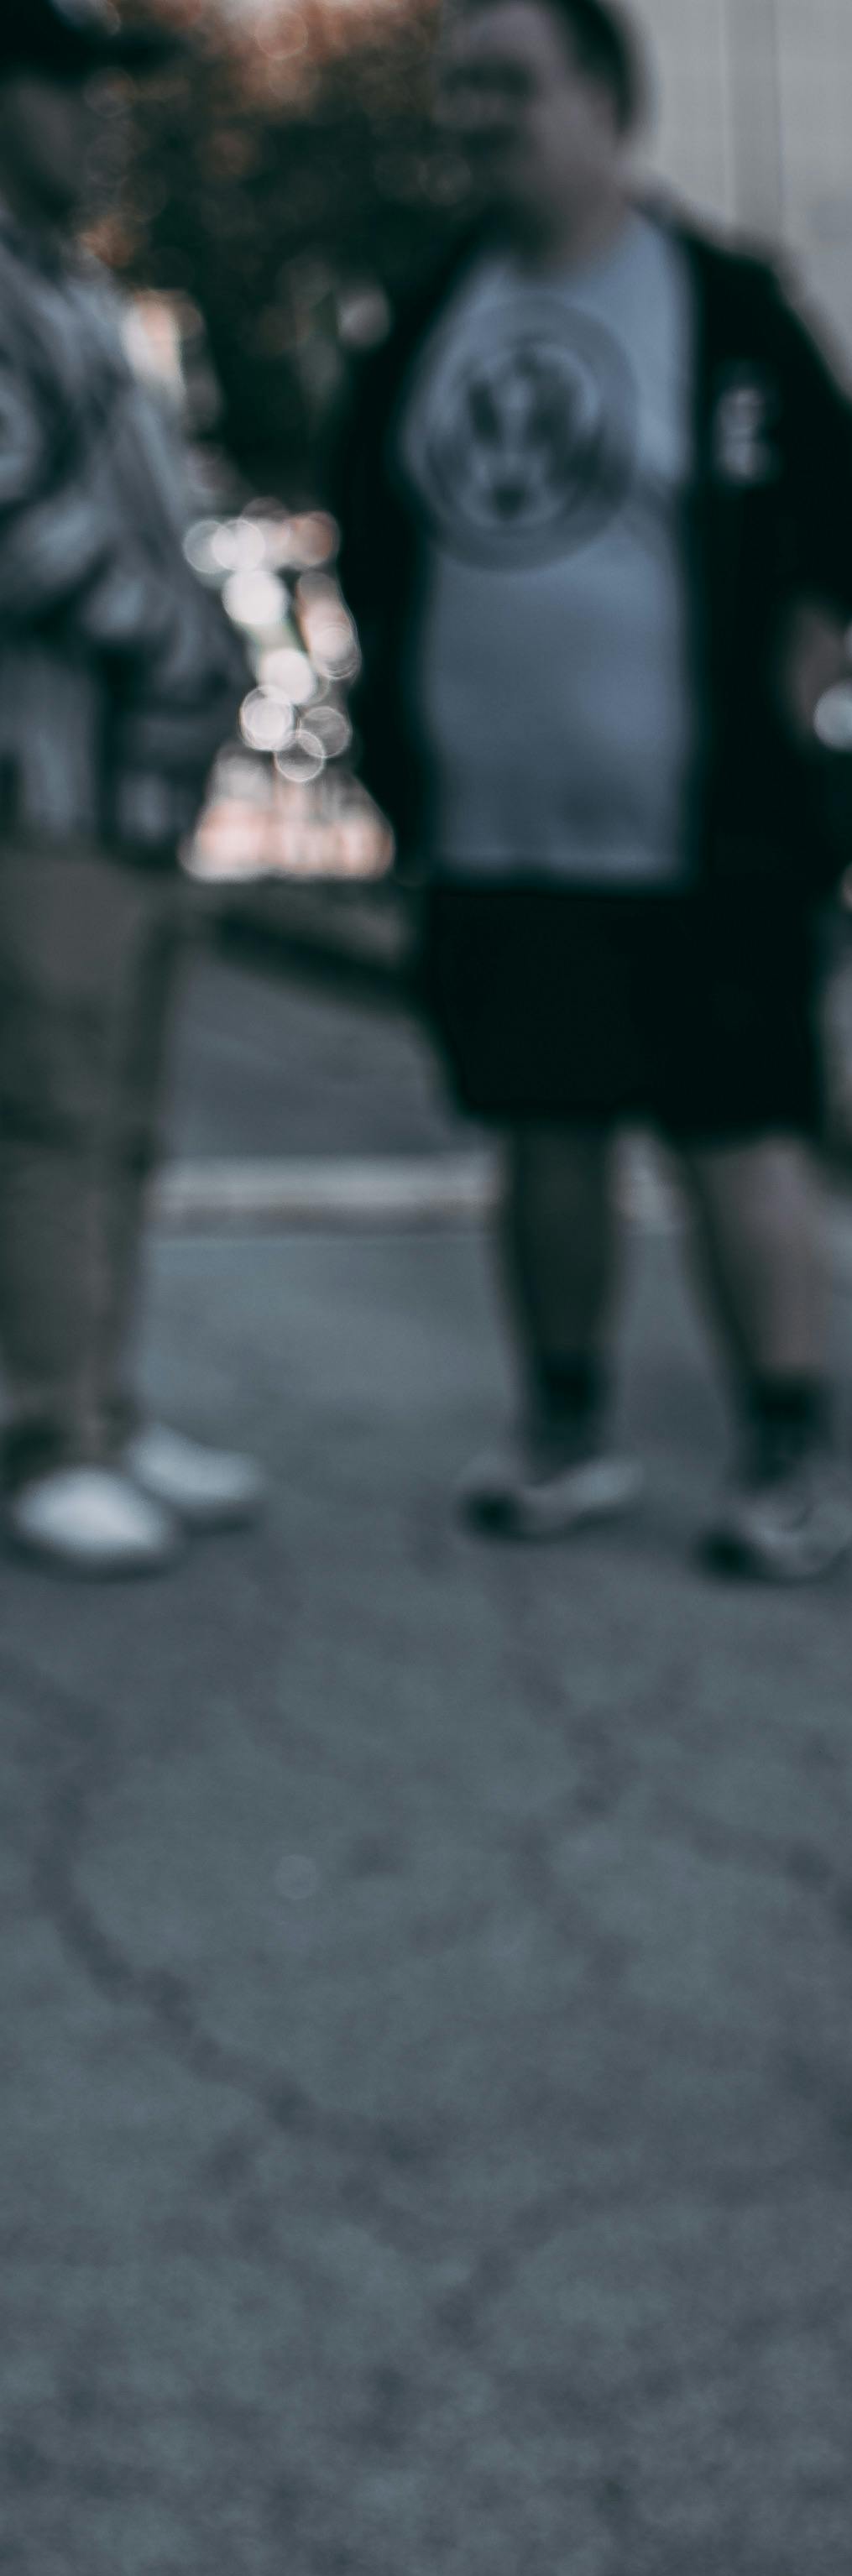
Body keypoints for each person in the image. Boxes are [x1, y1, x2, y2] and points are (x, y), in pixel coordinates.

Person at [333, 0, 852, 1580]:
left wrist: (798, 686)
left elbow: (840, 531)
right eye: (461, 91)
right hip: (500, 836)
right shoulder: (428, 313)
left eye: (511, 83)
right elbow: (370, 539)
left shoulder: (725, 303)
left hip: (706, 841)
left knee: (740, 1133)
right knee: (541, 1129)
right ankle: (565, 1428)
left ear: (606, 100)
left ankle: (786, 1447)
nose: (481, 116)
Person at [0, 0, 256, 1578]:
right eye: (67, 81)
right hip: (46, 785)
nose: (100, 116)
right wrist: (181, 642)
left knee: (117, 1121)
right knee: (50, 1114)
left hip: (126, 792)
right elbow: (17, 517)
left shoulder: (68, 280)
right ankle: (45, 1432)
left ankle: (98, 1401)